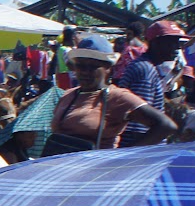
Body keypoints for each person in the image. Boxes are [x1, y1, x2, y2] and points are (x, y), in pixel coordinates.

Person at [41, 36, 177, 154]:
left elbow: (165, 125)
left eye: (93, 67)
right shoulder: (69, 95)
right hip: (60, 171)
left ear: (108, 68)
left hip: (93, 174)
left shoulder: (116, 97)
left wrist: (121, 158)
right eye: (81, 66)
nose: (85, 72)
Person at [115, 21, 187, 146]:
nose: (177, 47)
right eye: (171, 42)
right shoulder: (145, 71)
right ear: (155, 43)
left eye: (178, 42)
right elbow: (138, 125)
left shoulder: (147, 67)